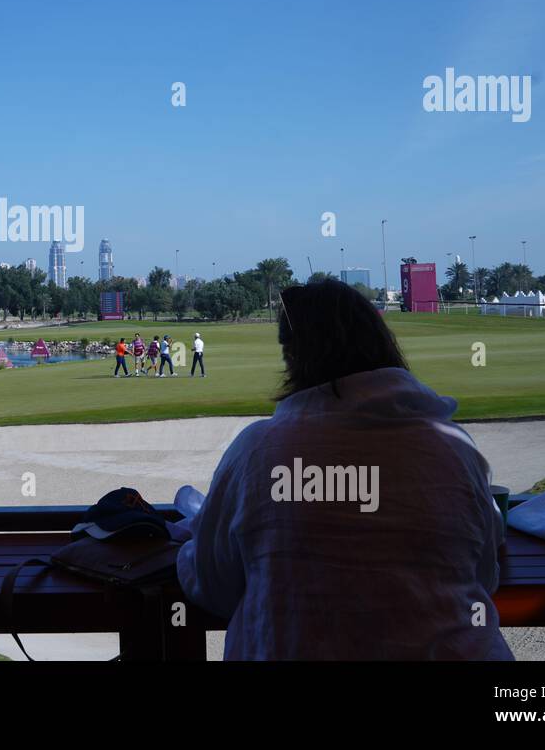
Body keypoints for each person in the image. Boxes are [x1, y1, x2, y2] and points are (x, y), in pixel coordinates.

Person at [177, 279, 512, 660]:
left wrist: (188, 548)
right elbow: (483, 575)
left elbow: (214, 585)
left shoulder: (256, 450)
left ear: (292, 353)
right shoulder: (455, 445)